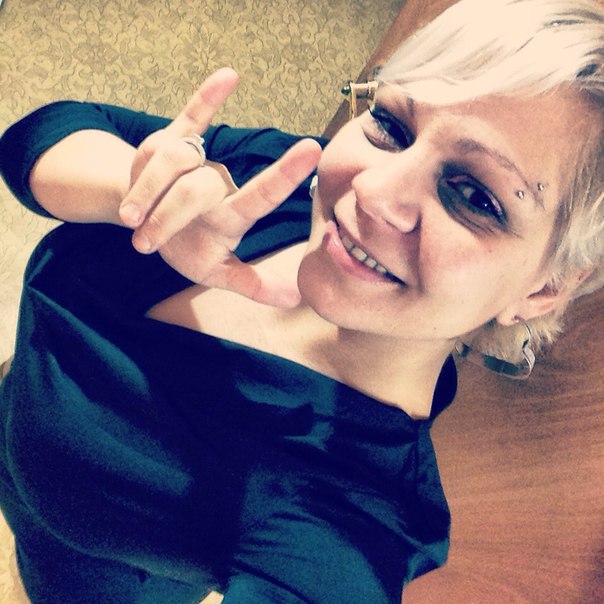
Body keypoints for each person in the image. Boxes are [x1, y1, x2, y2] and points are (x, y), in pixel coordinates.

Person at [0, 0, 602, 601]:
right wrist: (132, 195)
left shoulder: (346, 515)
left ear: (543, 288)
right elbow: (47, 131)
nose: (371, 189)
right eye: (392, 125)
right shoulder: (284, 181)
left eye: (474, 196)